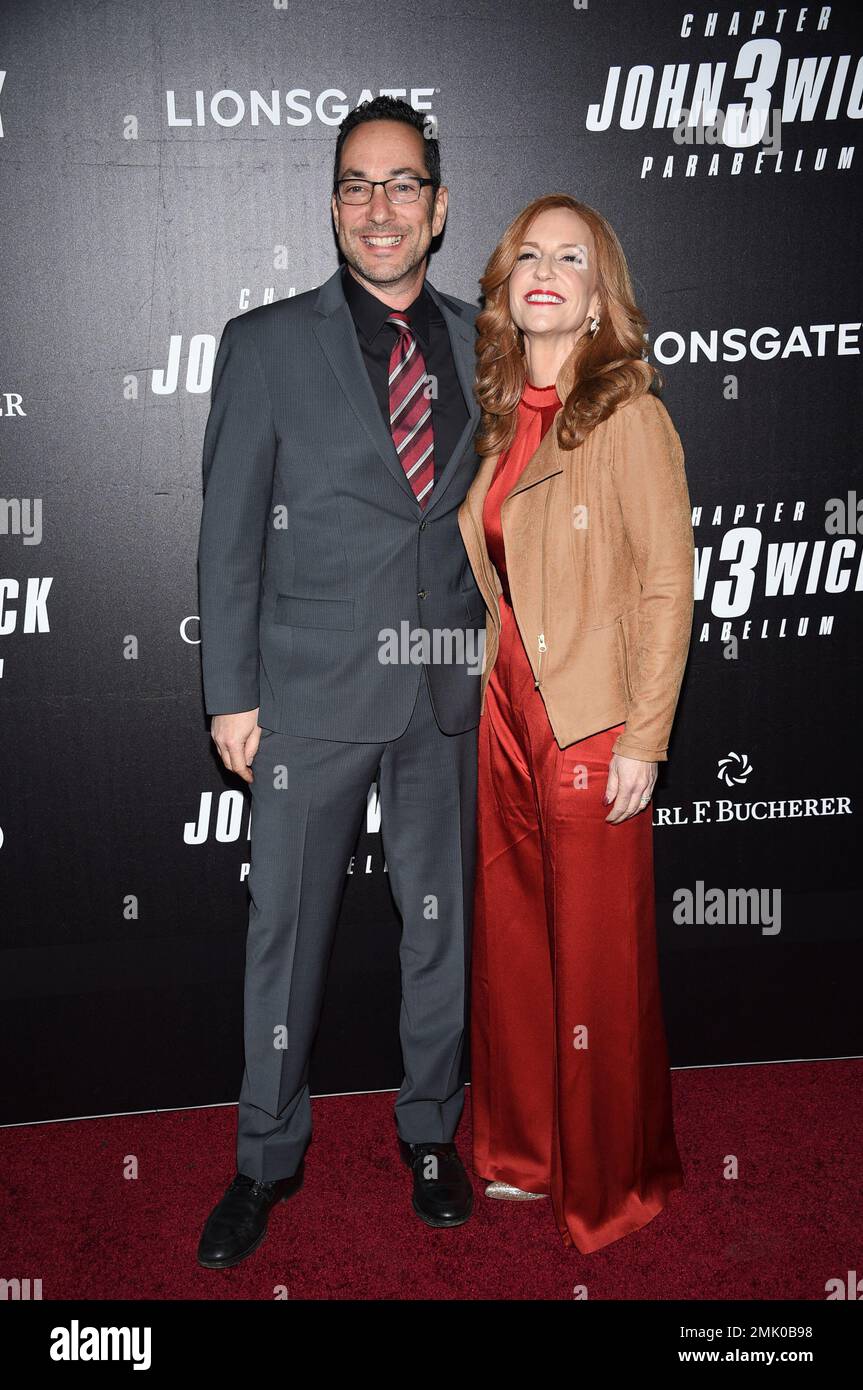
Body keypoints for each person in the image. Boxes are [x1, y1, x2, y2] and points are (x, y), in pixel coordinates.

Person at [195, 97, 486, 1269]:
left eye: (402, 183)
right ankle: (265, 1157)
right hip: (308, 693)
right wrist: (229, 692)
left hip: (444, 693)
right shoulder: (263, 344)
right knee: (287, 935)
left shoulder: (485, 339)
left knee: (438, 933)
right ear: (331, 206)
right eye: (357, 186)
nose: (380, 207)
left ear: (438, 205)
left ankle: (430, 1134)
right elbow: (226, 540)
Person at [457, 194, 694, 1253]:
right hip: (506, 702)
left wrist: (642, 737)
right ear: (508, 287)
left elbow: (664, 585)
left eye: (572, 257)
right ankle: (522, 1147)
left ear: (600, 297)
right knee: (511, 938)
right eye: (528, 256)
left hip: (591, 717)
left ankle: (610, 1178)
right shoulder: (508, 417)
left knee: (595, 957)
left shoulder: (626, 413)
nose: (545, 269)